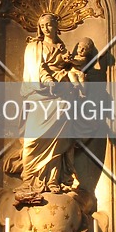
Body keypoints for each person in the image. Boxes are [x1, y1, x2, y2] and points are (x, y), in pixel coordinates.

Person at [19, 13, 84, 196]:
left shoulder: (63, 48)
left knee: (57, 142)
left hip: (61, 98)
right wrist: (49, 80)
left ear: (57, 26)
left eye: (50, 24)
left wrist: (68, 72)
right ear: (40, 28)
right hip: (41, 95)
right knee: (32, 141)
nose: (47, 28)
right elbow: (35, 69)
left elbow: (72, 69)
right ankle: (29, 180)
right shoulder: (34, 46)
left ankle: (54, 180)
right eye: (43, 25)